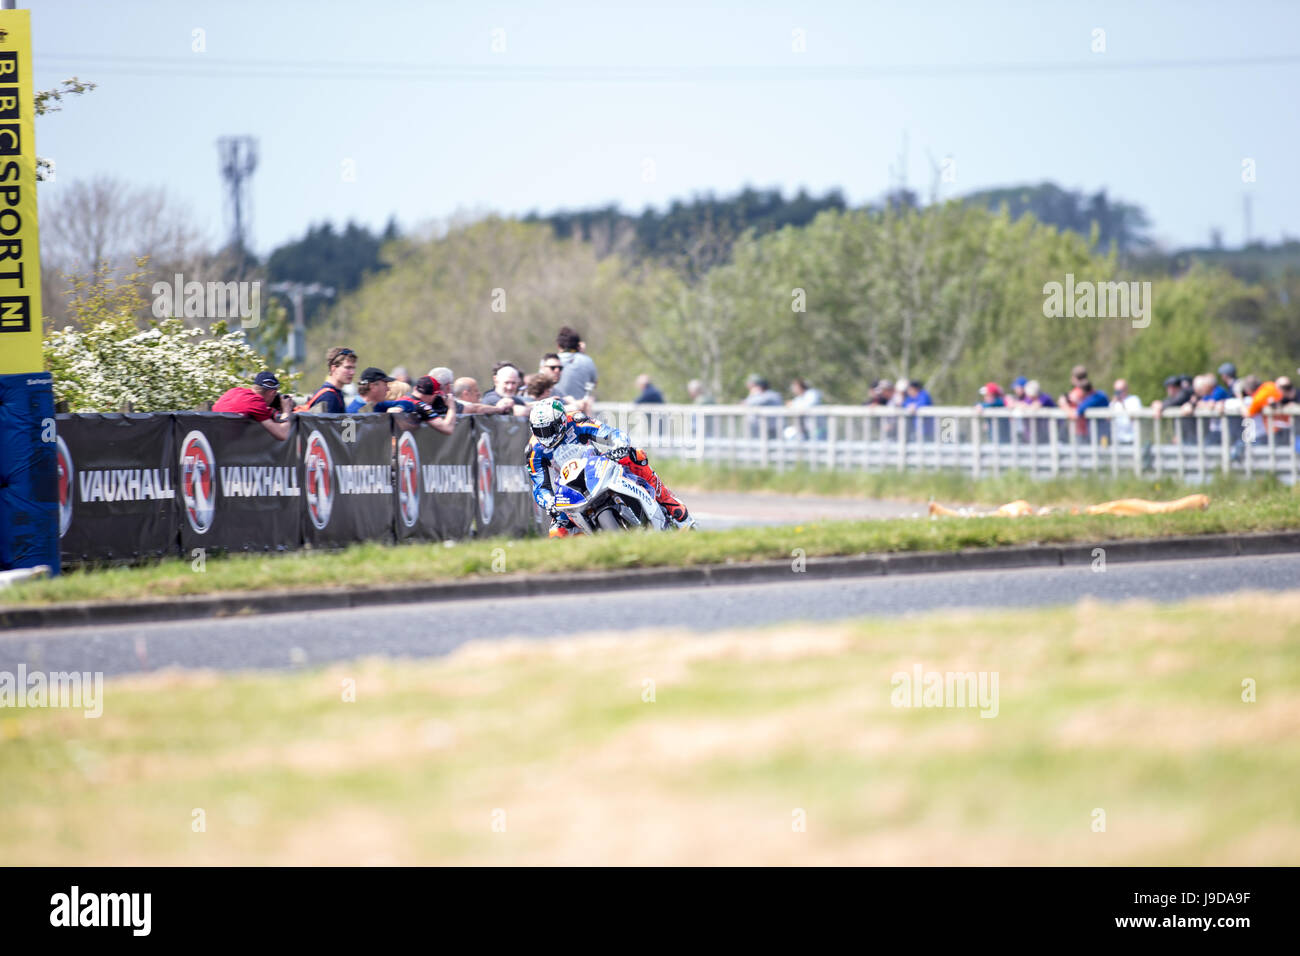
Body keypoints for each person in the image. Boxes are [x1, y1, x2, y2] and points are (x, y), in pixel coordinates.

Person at [526, 398, 693, 536]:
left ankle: (669, 503)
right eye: (539, 431)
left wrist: (619, 444)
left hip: (595, 466)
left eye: (548, 430)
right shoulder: (534, 450)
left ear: (561, 422)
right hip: (569, 489)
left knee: (636, 456)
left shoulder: (576, 421)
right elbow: (540, 487)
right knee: (556, 533)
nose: (545, 436)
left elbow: (609, 433)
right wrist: (549, 502)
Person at [213, 371, 294, 440]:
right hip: (228, 447)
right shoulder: (256, 403)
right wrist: (286, 410)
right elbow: (282, 434)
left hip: (213, 441)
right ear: (272, 393)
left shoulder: (234, 391)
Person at [391, 375, 457, 435]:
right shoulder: (423, 407)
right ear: (433, 395)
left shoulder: (400, 399)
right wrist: (451, 406)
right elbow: (448, 429)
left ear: (415, 388)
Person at [303, 347, 357, 413]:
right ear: (333, 368)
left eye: (353, 368)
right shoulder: (329, 397)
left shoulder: (335, 393)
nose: (352, 372)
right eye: (348, 367)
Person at [554, 326, 598, 401]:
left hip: (555, 408)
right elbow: (594, 384)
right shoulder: (587, 361)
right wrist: (583, 353)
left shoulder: (550, 361)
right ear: (578, 345)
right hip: (579, 409)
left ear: (558, 345)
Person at [743, 374, 783, 439]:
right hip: (762, 428)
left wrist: (753, 393)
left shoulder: (771, 395)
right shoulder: (764, 395)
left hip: (772, 428)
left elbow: (749, 403)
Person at [1109, 379, 1142, 444]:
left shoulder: (1134, 400)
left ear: (1126, 389)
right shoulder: (1113, 403)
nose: (1119, 392)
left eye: (1121, 390)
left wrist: (1122, 404)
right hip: (1117, 440)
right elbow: (1107, 419)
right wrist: (1113, 403)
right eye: (1117, 390)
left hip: (1131, 439)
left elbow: (1134, 418)